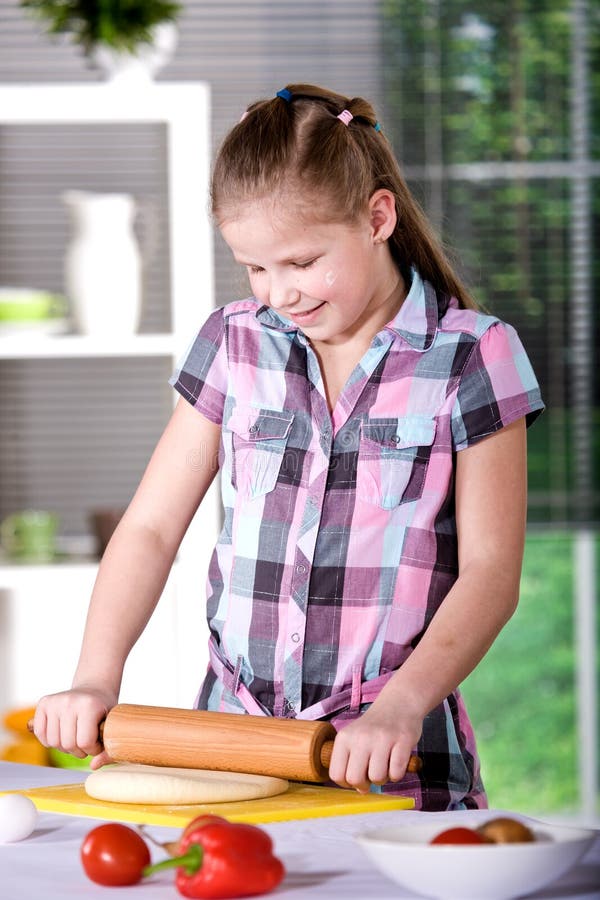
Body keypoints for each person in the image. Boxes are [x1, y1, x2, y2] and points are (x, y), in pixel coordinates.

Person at [33, 83, 544, 811]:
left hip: (394, 754)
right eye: (255, 267)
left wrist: (401, 706)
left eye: (301, 263)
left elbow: (491, 574)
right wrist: (95, 674)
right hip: (230, 750)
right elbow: (149, 529)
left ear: (377, 217)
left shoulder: (472, 357)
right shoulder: (234, 343)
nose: (279, 292)